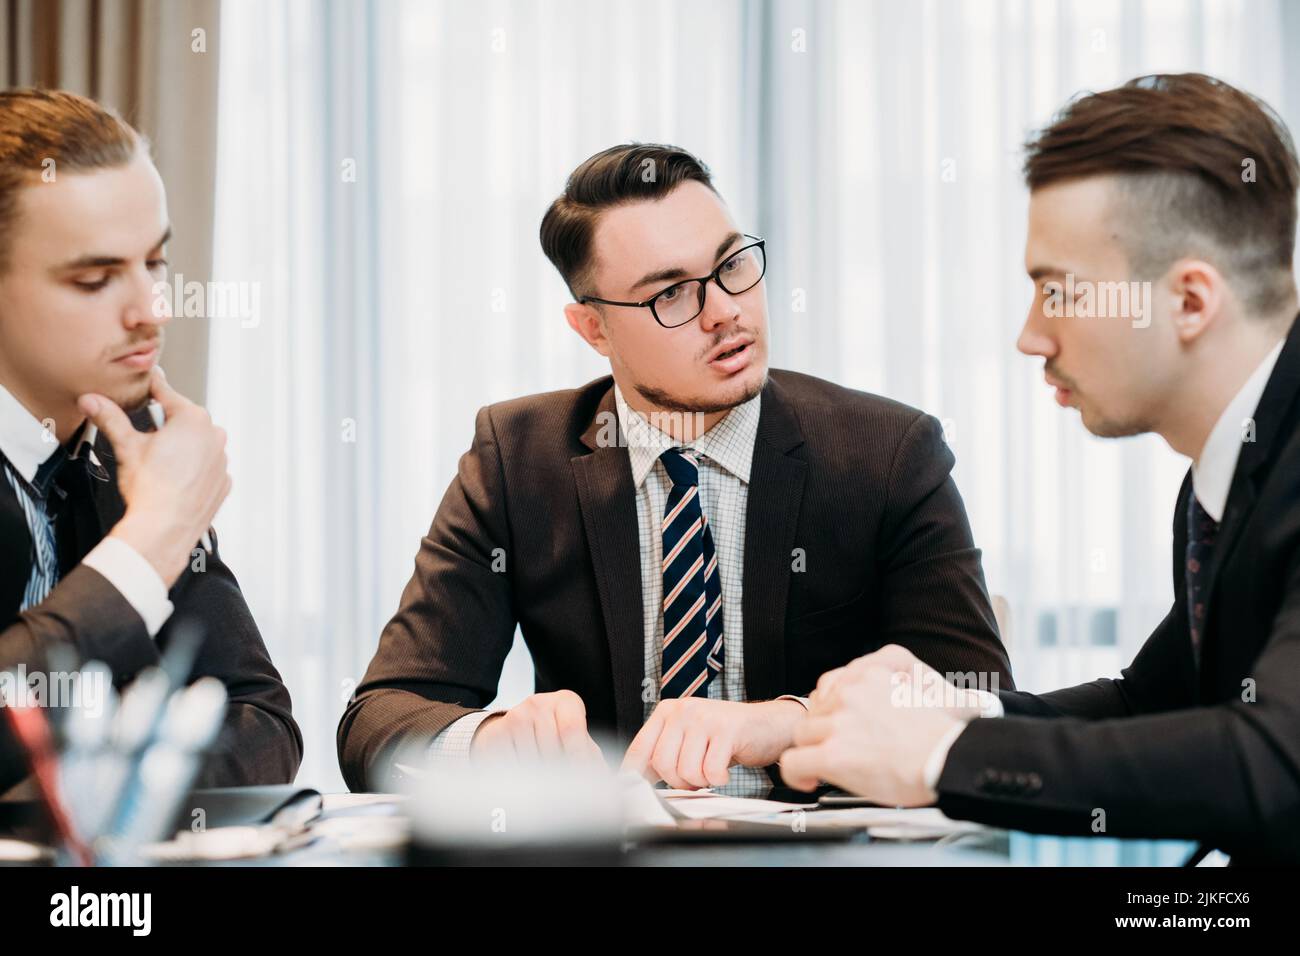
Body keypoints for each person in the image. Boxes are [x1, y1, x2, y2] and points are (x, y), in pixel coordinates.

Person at [339, 143, 1012, 794]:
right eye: (671, 295)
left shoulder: (887, 453)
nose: (725, 311)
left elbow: (981, 705)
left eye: (733, 265)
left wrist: (794, 721)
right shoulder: (518, 458)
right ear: (592, 329)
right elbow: (378, 721)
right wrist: (490, 742)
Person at [782, 73, 1300, 865]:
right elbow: (1150, 703)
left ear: (1190, 301)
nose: (1031, 337)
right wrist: (941, 717)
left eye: (1056, 292)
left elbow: (1275, 760)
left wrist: (937, 762)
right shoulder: (1234, 470)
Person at [0, 89, 301, 789]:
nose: (152, 312)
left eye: (155, 264)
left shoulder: (127, 442)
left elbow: (260, 720)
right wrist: (149, 545)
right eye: (97, 278)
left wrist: (98, 799)